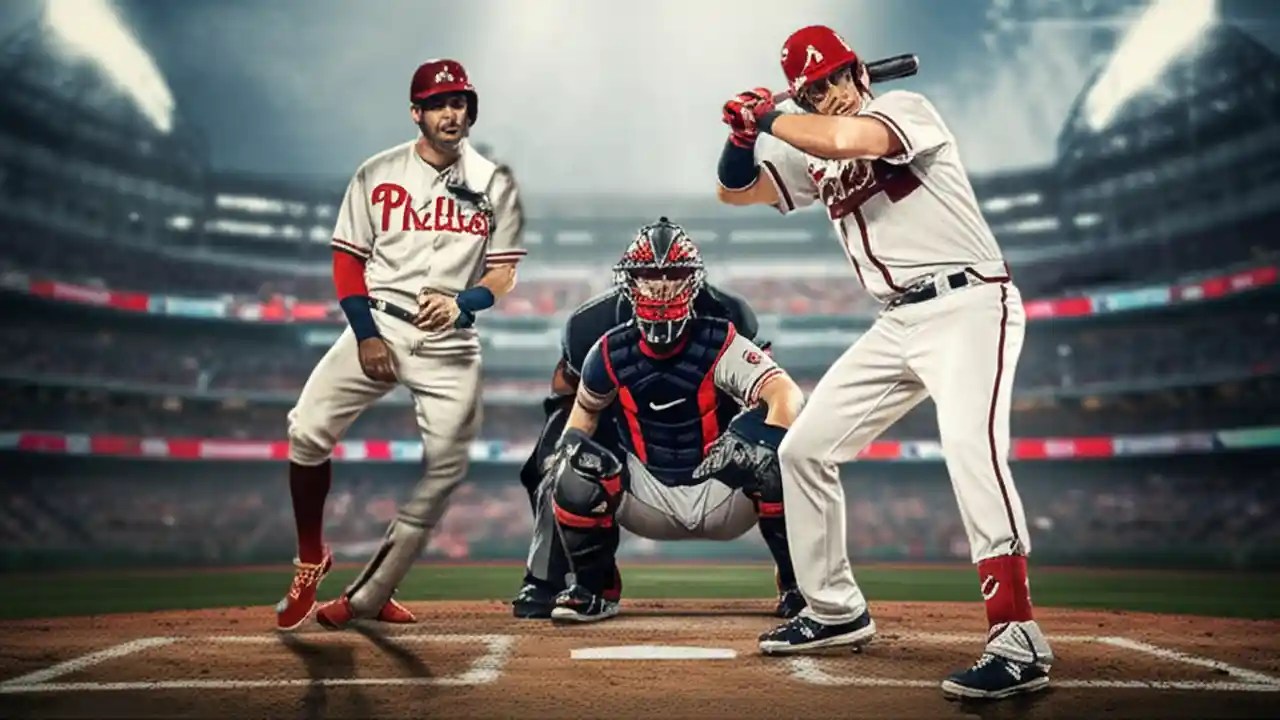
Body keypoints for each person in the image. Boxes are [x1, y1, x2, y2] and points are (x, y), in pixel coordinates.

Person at [715, 25, 1053, 700]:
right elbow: (736, 192)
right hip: (897, 321)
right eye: (818, 86)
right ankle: (835, 609)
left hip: (969, 303)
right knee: (803, 448)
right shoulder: (814, 151)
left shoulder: (903, 112)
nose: (835, 93)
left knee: (970, 449)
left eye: (841, 77)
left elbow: (847, 139)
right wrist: (742, 137)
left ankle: (1018, 637)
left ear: (860, 76)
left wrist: (777, 114)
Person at [274, 58, 526, 631]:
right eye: (437, 103)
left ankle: (375, 589)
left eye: (458, 102)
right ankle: (311, 556)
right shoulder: (377, 173)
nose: (449, 112)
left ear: (470, 110)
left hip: (451, 338)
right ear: (417, 113)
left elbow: (503, 274)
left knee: (446, 468)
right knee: (306, 430)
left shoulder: (495, 184)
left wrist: (466, 302)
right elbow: (346, 261)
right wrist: (365, 335)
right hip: (380, 320)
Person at [515, 218, 808, 623]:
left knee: (780, 453)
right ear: (629, 282)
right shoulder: (597, 339)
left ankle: (799, 583)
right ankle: (565, 582)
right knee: (565, 461)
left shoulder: (724, 326)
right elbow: (569, 398)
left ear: (694, 282)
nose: (662, 288)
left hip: (716, 469)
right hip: (636, 460)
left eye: (674, 276)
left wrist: (756, 436)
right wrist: (568, 454)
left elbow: (782, 395)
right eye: (651, 277)